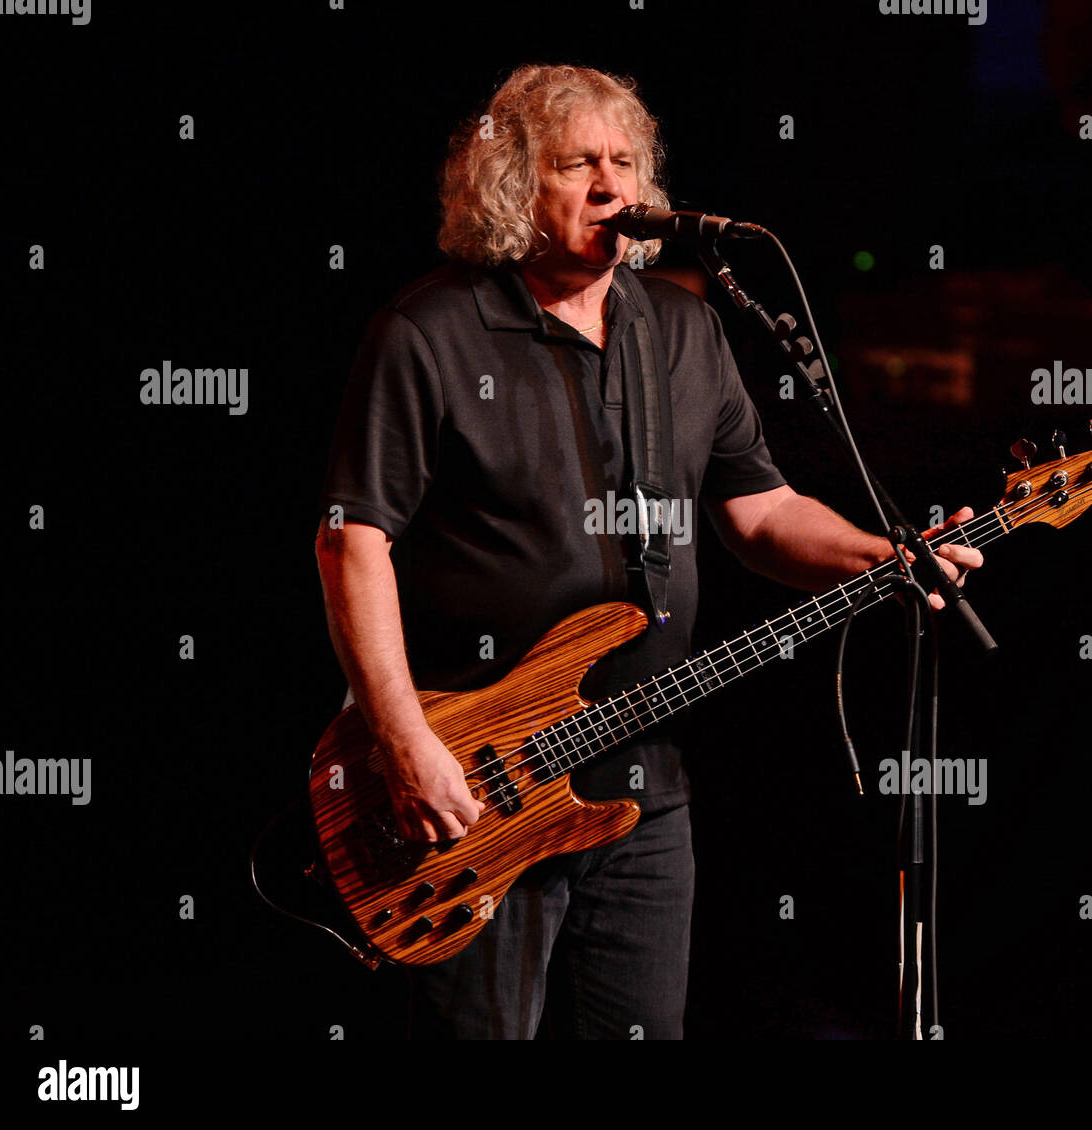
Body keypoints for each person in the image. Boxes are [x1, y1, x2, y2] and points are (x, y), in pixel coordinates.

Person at [314, 63, 982, 1040]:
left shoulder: (681, 327)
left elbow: (761, 515)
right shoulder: (428, 334)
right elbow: (351, 540)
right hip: (472, 786)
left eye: (624, 161)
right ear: (508, 184)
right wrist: (403, 737)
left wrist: (888, 553)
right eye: (577, 162)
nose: (610, 186)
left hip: (645, 793)